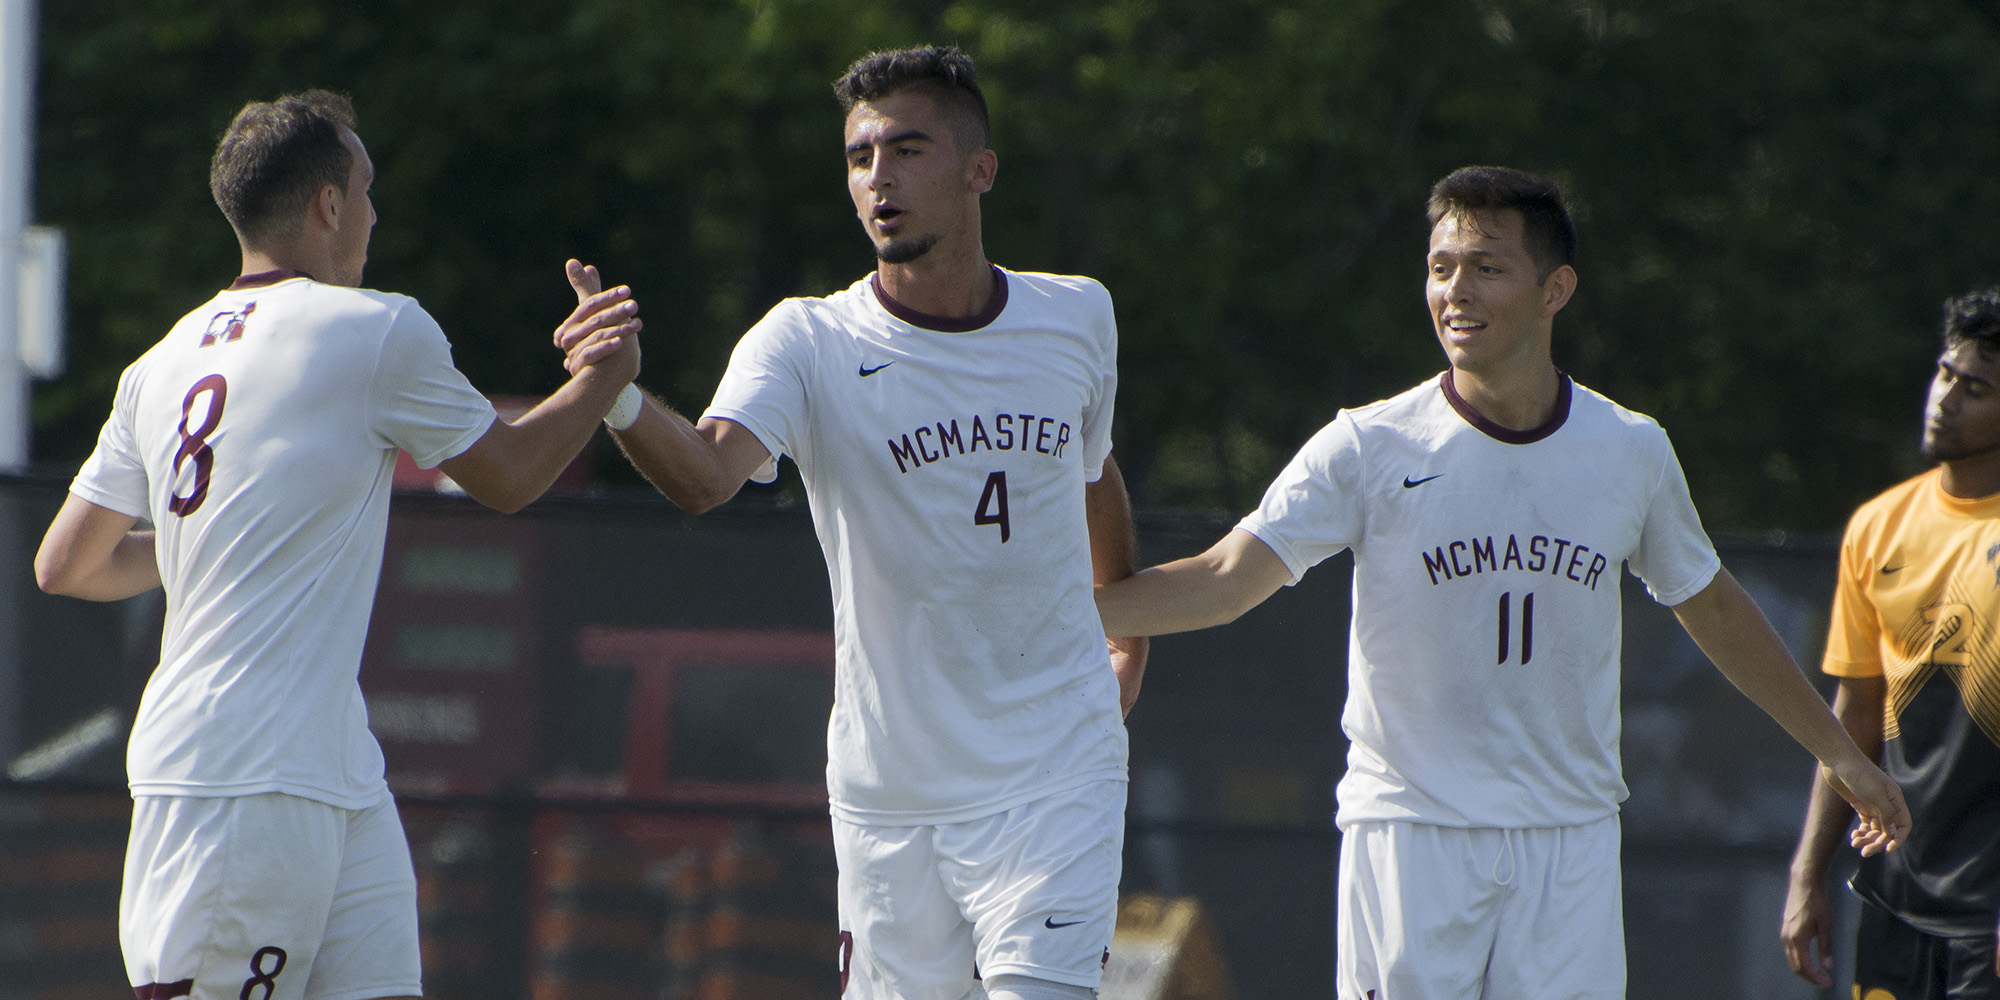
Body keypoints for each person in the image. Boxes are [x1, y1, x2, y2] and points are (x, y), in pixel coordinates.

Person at [1093, 165, 1910, 999]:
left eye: (1486, 267)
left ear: (1556, 289)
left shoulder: (1629, 449)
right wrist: (1053, 615)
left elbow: (1716, 610)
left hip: (1570, 842)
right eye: (1440, 267)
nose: (1456, 291)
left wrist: (1843, 758)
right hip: (1413, 834)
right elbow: (1225, 579)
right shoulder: (1368, 446)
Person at [557, 46, 1143, 1000]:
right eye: (860, 157)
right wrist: (617, 395)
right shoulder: (807, 340)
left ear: (979, 170)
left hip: (1056, 774)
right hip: (888, 796)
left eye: (907, 150)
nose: (879, 178)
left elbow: (1091, 468)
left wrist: (1127, 638)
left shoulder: (1078, 316)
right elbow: (705, 477)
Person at [32, 90, 642, 1000]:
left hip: (330, 770)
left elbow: (66, 564)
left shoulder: (157, 363)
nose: (373, 214)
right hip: (241, 779)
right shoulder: (375, 329)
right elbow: (512, 477)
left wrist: (220, 538)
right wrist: (605, 377)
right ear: (327, 205)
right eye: (365, 190)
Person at [1781, 289, 2000, 999]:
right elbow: (1853, 720)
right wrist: (1808, 874)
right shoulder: (1878, 526)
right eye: (1945, 374)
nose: (1945, 399)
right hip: (1894, 903)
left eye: (1976, 389)